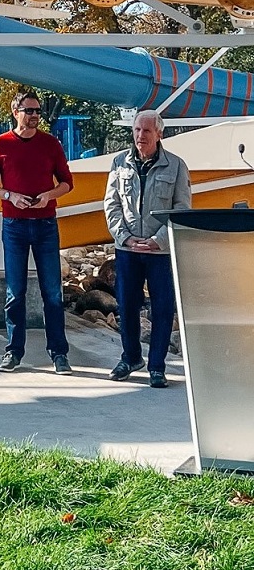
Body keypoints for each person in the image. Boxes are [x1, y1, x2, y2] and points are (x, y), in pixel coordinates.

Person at [0, 90, 75, 374]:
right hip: (15, 225)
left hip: (46, 224)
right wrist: (10, 195)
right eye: (29, 111)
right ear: (16, 112)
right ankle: (13, 351)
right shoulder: (0, 144)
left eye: (37, 111)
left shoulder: (50, 143)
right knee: (15, 292)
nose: (34, 116)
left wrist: (48, 195)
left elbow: (67, 182)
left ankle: (59, 352)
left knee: (52, 292)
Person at [103, 109, 191, 389]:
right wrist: (125, 238)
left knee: (163, 309)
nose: (141, 136)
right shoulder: (120, 163)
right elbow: (111, 205)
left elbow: (182, 209)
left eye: (147, 131)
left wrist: (159, 240)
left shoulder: (176, 166)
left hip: (160, 252)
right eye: (137, 130)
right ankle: (130, 357)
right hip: (128, 249)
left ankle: (157, 366)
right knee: (127, 305)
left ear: (159, 134)